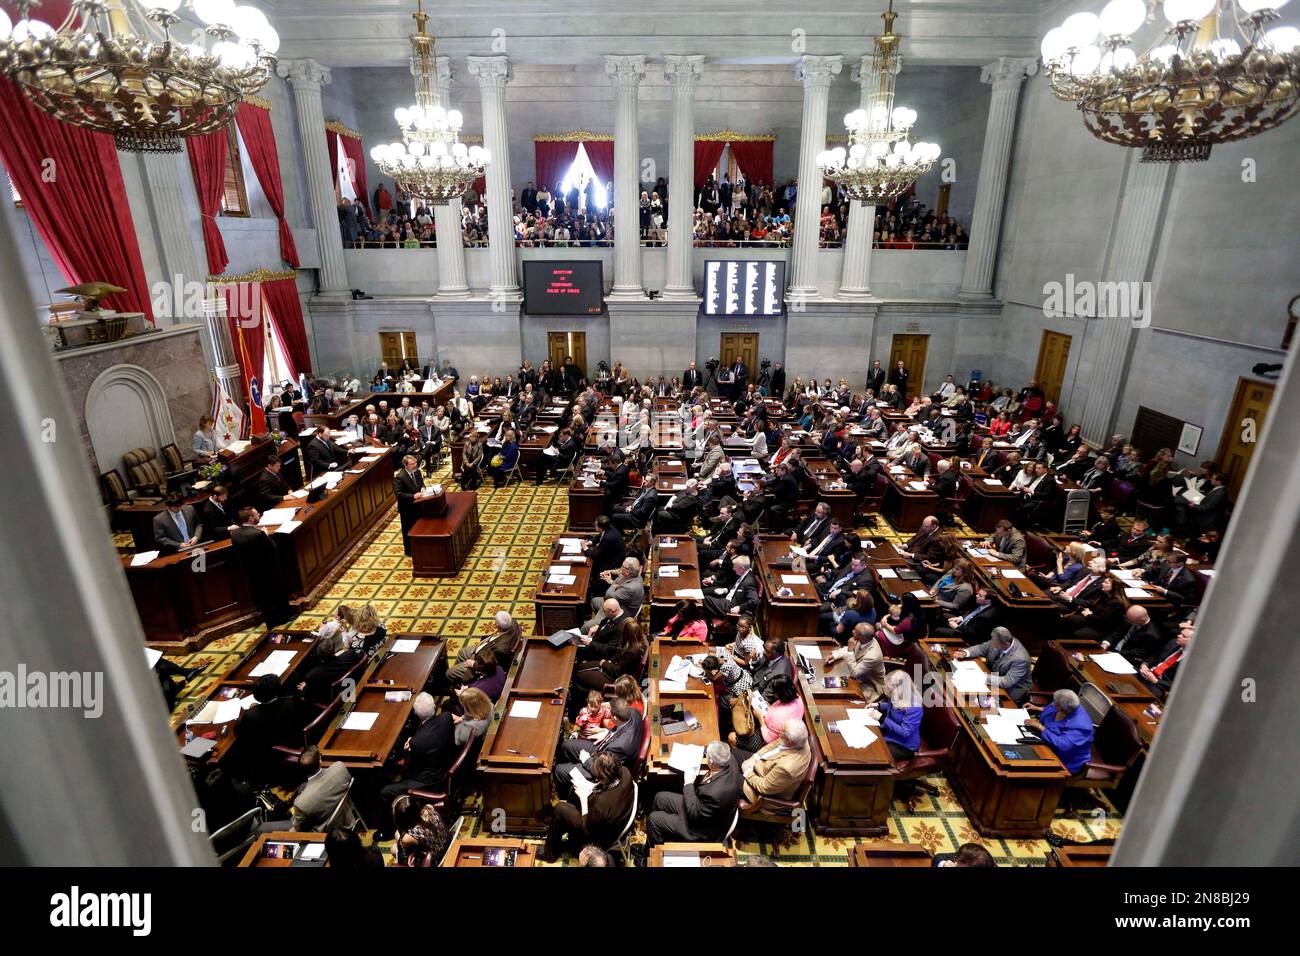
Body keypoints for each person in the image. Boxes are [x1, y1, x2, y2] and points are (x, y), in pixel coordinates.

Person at [645, 740, 743, 849]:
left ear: (710, 761)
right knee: (659, 798)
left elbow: (693, 813)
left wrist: (688, 783)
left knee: (653, 820)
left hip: (700, 829)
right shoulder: (730, 759)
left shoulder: (714, 793)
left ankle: (655, 849)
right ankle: (659, 833)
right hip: (704, 810)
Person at [540, 751, 635, 863]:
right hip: (615, 814)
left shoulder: (602, 805)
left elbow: (587, 827)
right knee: (573, 791)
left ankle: (550, 854)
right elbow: (608, 789)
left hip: (600, 834)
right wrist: (591, 787)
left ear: (604, 778)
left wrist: (584, 799)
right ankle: (565, 827)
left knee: (560, 809)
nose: (595, 776)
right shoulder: (625, 771)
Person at [553, 697, 644, 796]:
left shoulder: (620, 747)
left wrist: (587, 760)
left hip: (601, 768)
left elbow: (603, 770)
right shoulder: (634, 712)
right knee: (566, 745)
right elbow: (619, 730)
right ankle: (569, 764)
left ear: (615, 718)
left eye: (610, 713)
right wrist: (607, 732)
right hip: (605, 747)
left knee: (559, 770)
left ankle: (563, 794)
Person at [230, 507, 295, 628]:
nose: (259, 515)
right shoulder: (258, 534)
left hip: (251, 573)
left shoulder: (235, 533)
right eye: (257, 514)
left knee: (263, 598)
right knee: (276, 594)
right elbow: (273, 549)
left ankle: (270, 621)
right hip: (269, 571)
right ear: (251, 518)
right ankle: (283, 618)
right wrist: (265, 535)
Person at [740, 719, 813, 806]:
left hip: (760, 791)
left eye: (782, 731)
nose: (779, 732)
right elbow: (775, 744)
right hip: (763, 764)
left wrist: (747, 772)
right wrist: (754, 758)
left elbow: (764, 787)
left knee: (728, 776)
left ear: (789, 740)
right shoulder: (799, 739)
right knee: (733, 753)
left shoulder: (786, 768)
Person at [730, 674, 804, 758]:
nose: (773, 693)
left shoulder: (777, 716)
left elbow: (767, 739)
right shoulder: (798, 698)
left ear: (780, 694)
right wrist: (769, 707)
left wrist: (760, 719)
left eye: (774, 691)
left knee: (732, 737)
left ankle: (743, 757)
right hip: (775, 728)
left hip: (767, 742)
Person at [952, 626, 1031, 704]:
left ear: (1005, 644)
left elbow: (1007, 682)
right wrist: (965, 653)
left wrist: (981, 676)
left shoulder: (1020, 658)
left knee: (975, 704)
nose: (991, 643)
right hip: (991, 676)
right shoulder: (998, 640)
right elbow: (981, 648)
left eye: (994, 642)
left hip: (1011, 689)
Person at [1025, 689, 1094, 775]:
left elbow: (1062, 744)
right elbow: (1050, 709)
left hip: (1065, 760)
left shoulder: (1081, 726)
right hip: (1046, 744)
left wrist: (1040, 727)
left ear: (1062, 708)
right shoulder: (1066, 705)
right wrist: (1037, 708)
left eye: (1055, 703)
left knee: (1028, 768)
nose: (1052, 704)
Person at [446, 610, 522, 684]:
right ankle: (462, 679)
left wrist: (474, 664)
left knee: (449, 673)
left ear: (497, 626)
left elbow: (491, 667)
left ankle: (467, 678)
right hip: (483, 651)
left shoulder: (500, 650)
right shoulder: (513, 624)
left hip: (482, 664)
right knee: (462, 652)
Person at [869, 670, 923, 761]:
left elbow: (905, 733)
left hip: (904, 745)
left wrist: (882, 718)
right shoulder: (896, 694)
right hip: (890, 733)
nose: (888, 691)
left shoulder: (915, 707)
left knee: (875, 757)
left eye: (891, 689)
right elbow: (892, 707)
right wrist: (878, 706)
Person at [826, 622, 886, 700]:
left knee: (838, 698)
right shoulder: (865, 639)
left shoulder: (873, 656)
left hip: (869, 686)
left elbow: (854, 673)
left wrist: (850, 651)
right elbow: (850, 648)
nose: (852, 631)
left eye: (855, 631)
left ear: (863, 638)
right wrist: (835, 655)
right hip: (857, 675)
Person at [390, 793, 449, 867]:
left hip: (435, 859)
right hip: (444, 843)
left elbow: (404, 851)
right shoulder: (428, 808)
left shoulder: (408, 837)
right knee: (398, 837)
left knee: (393, 848)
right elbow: (425, 836)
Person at [933, 587, 998, 640]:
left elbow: (973, 632)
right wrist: (961, 618)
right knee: (944, 615)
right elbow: (971, 613)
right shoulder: (982, 603)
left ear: (988, 601)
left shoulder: (985, 617)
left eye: (980, 595)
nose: (976, 596)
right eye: (978, 594)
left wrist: (957, 627)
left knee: (938, 630)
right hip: (965, 623)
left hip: (967, 636)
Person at [393, 454, 424, 556]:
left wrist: (423, 487)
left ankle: (420, 547)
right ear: (406, 465)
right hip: (407, 508)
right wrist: (413, 496)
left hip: (418, 506)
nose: (415, 465)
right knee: (408, 530)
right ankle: (409, 551)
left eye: (415, 463)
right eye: (412, 464)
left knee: (419, 527)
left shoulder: (417, 472)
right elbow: (399, 494)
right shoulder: (400, 477)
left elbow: (421, 484)